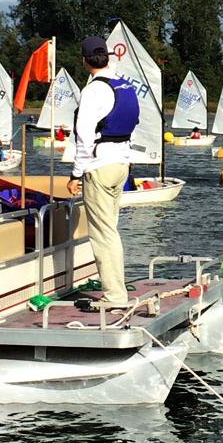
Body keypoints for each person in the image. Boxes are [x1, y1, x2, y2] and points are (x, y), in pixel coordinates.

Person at [66, 36, 140, 312]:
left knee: (103, 234)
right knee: (112, 230)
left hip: (99, 166)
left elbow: (83, 136)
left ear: (84, 61)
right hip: (121, 164)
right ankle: (117, 288)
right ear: (108, 57)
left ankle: (115, 296)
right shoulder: (125, 85)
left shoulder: (93, 91)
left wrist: (76, 174)